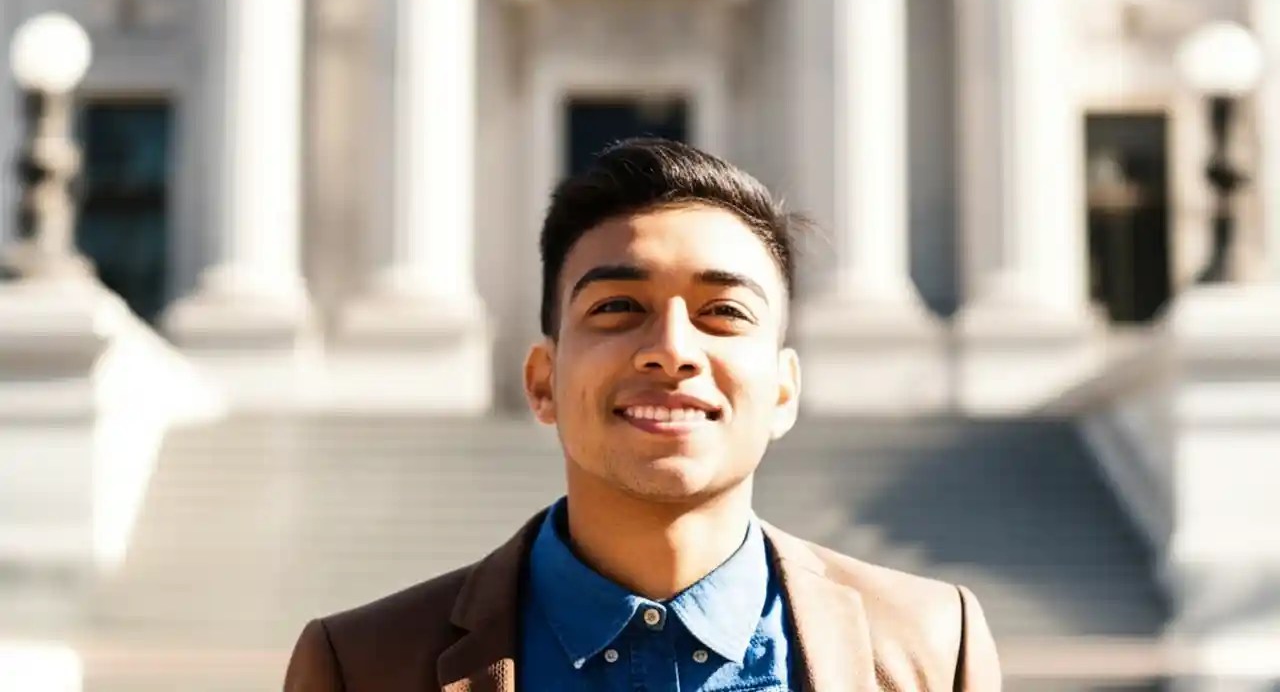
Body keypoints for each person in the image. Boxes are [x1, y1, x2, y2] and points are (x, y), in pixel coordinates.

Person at [284, 138, 1001, 691]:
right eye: (617, 308)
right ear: (542, 382)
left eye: (723, 312)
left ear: (783, 391)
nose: (671, 351)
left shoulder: (933, 647)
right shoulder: (363, 666)